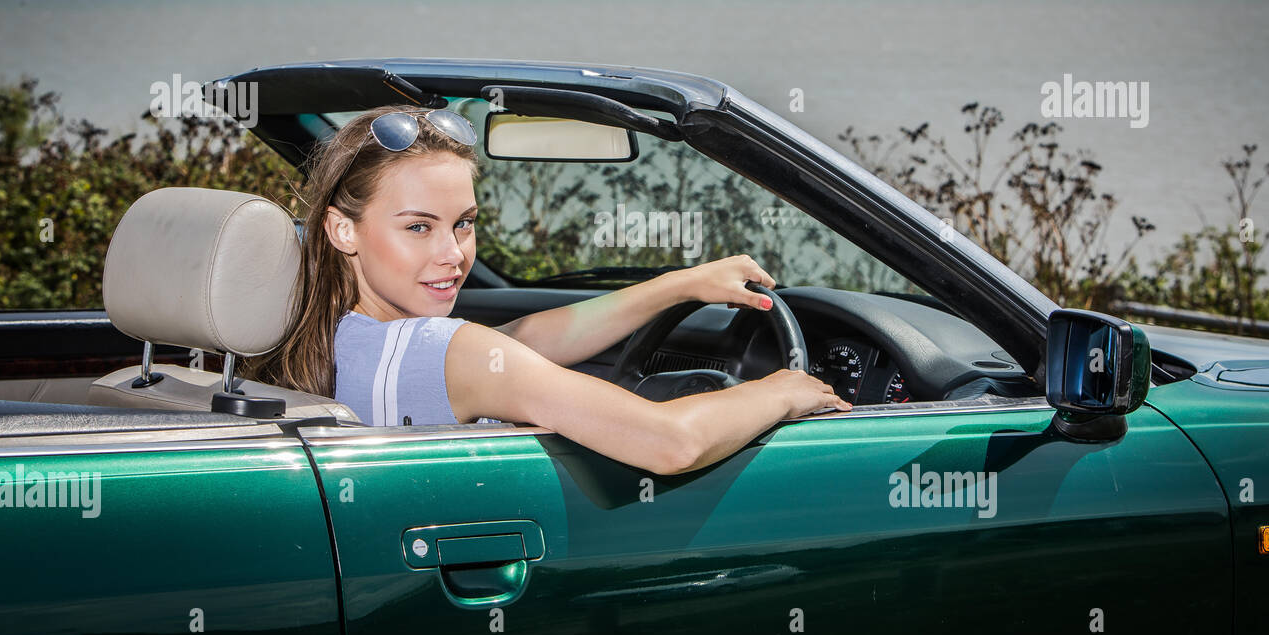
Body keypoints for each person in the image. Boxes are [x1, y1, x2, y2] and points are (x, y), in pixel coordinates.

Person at [244, 103, 850, 474]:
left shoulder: (322, 340)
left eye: (464, 223)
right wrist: (782, 392)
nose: (452, 254)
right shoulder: (447, 354)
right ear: (342, 230)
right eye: (418, 228)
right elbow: (672, 442)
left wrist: (676, 285)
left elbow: (516, 343)